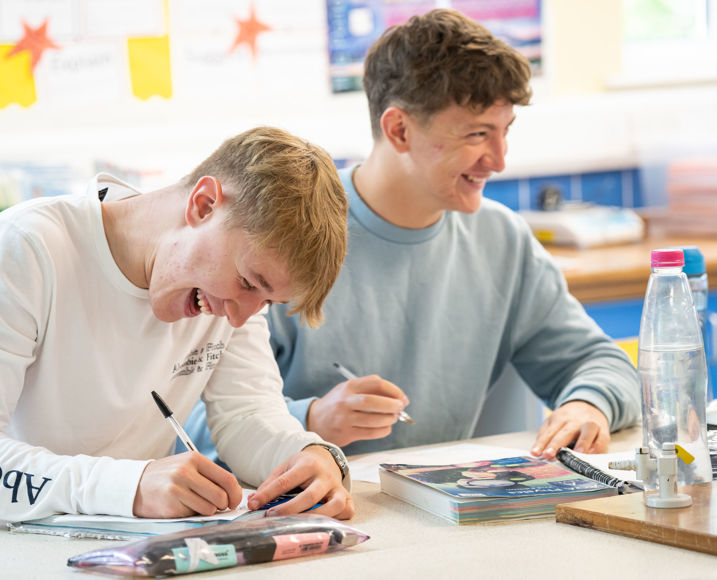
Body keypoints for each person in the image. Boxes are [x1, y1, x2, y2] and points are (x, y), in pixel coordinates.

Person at [183, 9, 640, 462]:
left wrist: (588, 405)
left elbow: (604, 364)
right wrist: (311, 418)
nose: (499, 160)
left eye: (504, 132)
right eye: (478, 134)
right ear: (399, 129)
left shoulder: (500, 239)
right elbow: (184, 426)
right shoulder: (282, 236)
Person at [0, 126, 354, 522]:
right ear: (203, 204)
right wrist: (130, 487)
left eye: (267, 300)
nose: (239, 315)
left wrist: (310, 456)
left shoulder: (229, 299)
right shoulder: (23, 250)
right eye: (248, 283)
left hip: (113, 550)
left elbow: (248, 417)